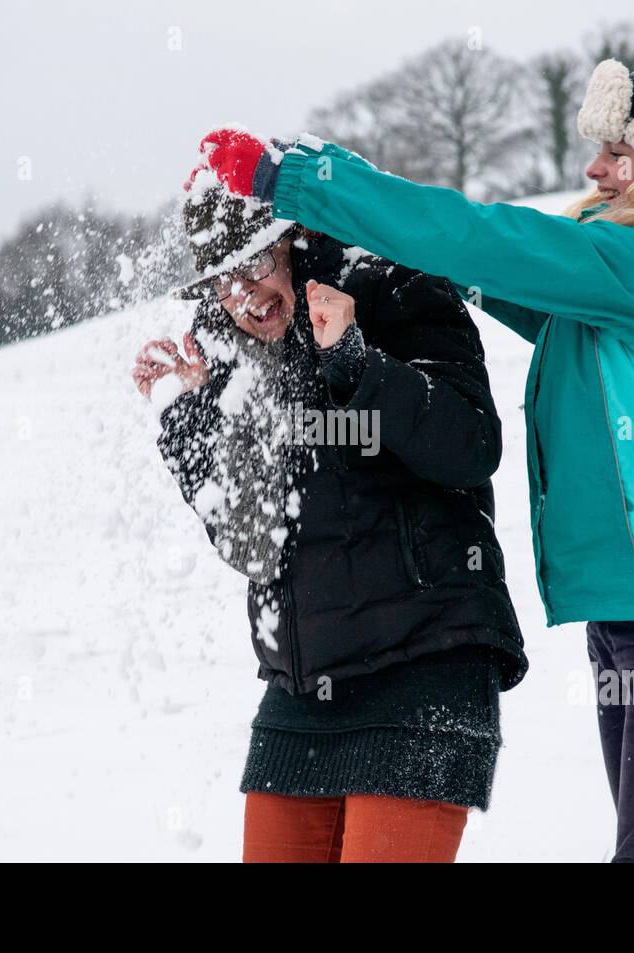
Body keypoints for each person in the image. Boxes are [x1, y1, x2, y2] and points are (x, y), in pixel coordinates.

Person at [195, 60, 634, 862]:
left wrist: (297, 181)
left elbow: (486, 241)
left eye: (618, 153)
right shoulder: (620, 281)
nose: (593, 168)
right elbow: (474, 260)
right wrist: (359, 189)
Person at [133, 170, 528, 862]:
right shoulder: (229, 353)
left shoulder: (389, 282)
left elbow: (472, 445)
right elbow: (252, 543)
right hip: (303, 691)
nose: (241, 296)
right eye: (219, 281)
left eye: (254, 263)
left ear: (293, 237)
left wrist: (354, 361)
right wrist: (195, 416)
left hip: (425, 664)